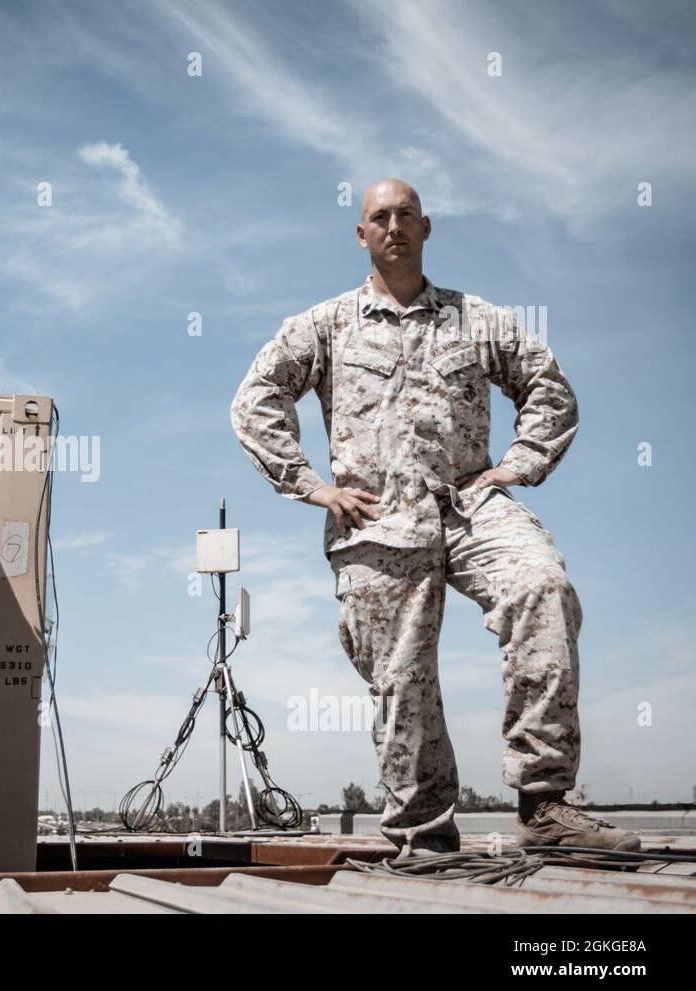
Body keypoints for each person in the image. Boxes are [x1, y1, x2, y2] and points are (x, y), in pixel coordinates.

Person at [230, 178, 640, 855]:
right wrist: (308, 485)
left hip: (469, 508)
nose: (394, 226)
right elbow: (256, 401)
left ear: (427, 229)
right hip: (377, 520)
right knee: (401, 676)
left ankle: (544, 804)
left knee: (542, 586)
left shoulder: (475, 319)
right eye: (379, 217)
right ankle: (423, 832)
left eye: (406, 216)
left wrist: (517, 464)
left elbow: (547, 387)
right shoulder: (324, 325)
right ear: (361, 234)